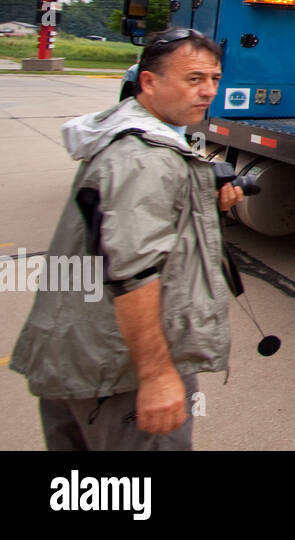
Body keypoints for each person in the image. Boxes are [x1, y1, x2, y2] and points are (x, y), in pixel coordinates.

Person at [9, 28, 242, 450]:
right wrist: (155, 376)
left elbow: (125, 227)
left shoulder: (129, 135)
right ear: (149, 82)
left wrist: (202, 200)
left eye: (214, 79)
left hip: (82, 355)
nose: (208, 91)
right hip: (118, 373)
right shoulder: (141, 159)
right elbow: (133, 273)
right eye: (194, 79)